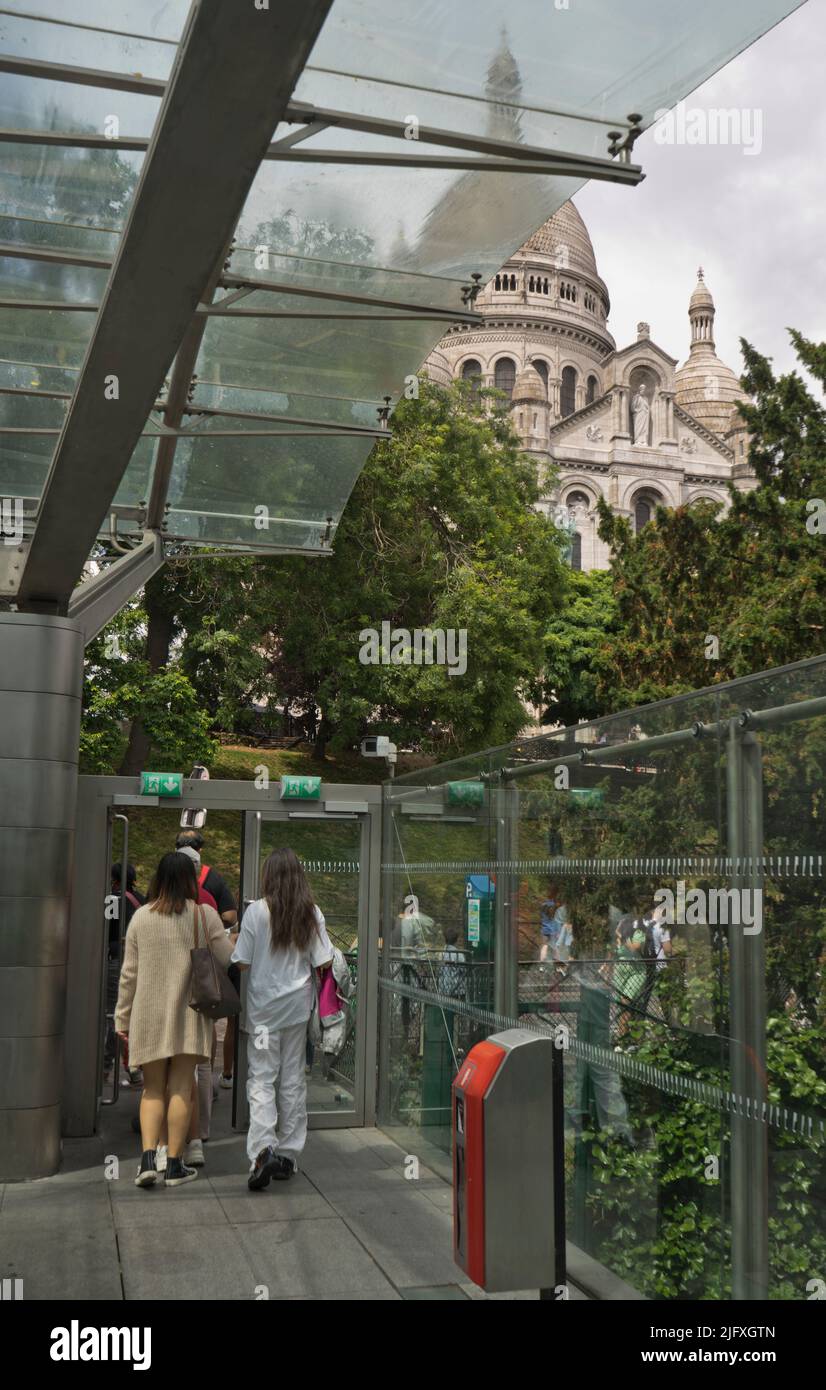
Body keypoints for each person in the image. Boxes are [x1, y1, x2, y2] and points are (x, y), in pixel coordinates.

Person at [114, 852, 232, 1188]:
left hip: (147, 1015)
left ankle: (148, 1162)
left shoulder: (141, 918)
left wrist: (121, 1017)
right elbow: (227, 959)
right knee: (182, 1085)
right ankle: (177, 1165)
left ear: (157, 880)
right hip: (189, 1016)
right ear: (190, 881)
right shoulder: (203, 915)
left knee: (151, 1090)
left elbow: (128, 975)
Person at [231, 847, 333, 1190]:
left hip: (263, 1012)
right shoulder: (311, 912)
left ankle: (263, 1151)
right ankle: (288, 1154)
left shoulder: (256, 912)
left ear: (268, 876)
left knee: (261, 1078)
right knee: (292, 1080)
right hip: (296, 1009)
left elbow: (241, 962)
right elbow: (324, 960)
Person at [175, 831, 238, 1091]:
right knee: (204, 1027)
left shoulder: (154, 903)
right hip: (202, 970)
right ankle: (208, 1089)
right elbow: (231, 916)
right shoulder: (211, 889)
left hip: (167, 978)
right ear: (200, 852)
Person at [104, 864, 145, 1083]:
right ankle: (133, 1065)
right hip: (138, 960)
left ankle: (105, 1066)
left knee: (112, 1014)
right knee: (131, 1013)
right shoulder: (140, 899)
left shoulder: (109, 899)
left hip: (114, 960)